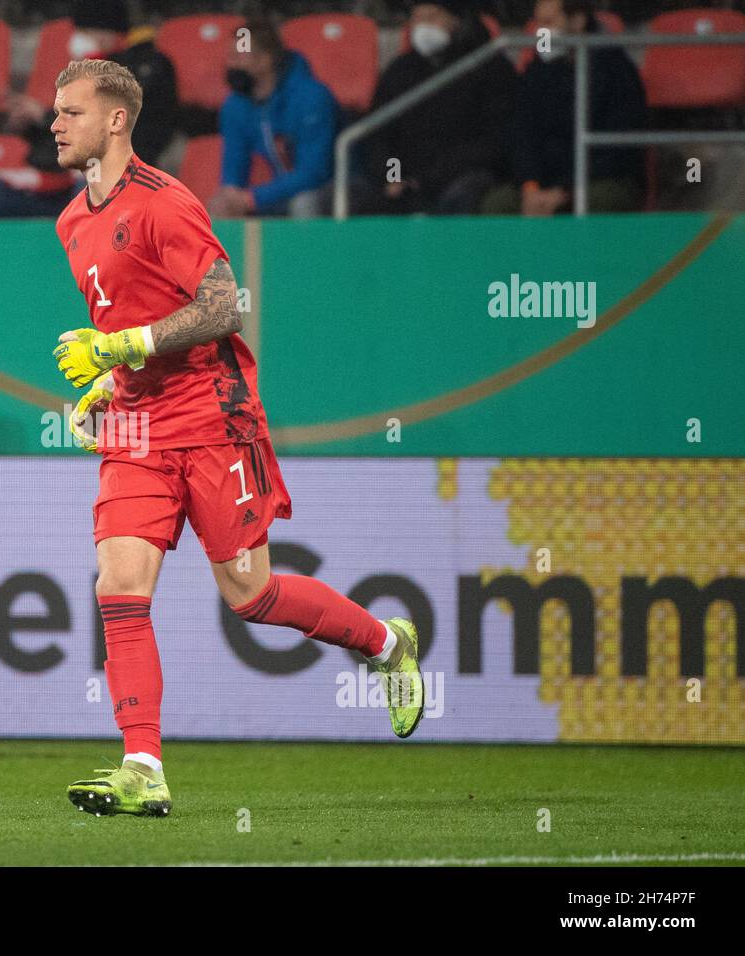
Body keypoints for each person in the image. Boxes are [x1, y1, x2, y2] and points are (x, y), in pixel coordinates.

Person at [49, 59, 424, 817]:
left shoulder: (165, 203)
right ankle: (143, 766)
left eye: (71, 112)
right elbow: (126, 322)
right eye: (54, 112)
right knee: (118, 585)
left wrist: (122, 349)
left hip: (214, 419)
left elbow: (224, 307)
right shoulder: (69, 222)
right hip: (139, 431)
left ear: (117, 120)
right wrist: (105, 386)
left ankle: (387, 644)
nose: (54, 124)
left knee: (249, 595)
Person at [0, 0, 177, 219]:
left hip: (112, 182)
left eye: (87, 31)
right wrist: (34, 125)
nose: (78, 39)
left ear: (110, 32)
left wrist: (44, 116)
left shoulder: (151, 68)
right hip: (58, 182)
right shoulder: (82, 72)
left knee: (89, 189)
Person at [483, 0, 645, 215]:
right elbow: (521, 133)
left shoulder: (615, 69)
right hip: (543, 183)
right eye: (538, 23)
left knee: (599, 201)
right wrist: (530, 186)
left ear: (577, 21)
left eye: (548, 22)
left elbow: (621, 147)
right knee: (497, 204)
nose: (541, 31)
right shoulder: (535, 72)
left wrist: (565, 191)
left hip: (600, 179)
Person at [362, 0, 515, 215]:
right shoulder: (400, 70)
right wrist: (393, 176)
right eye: (417, 18)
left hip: (463, 175)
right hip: (404, 179)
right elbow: (380, 135)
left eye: (432, 17)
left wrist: (424, 181)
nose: (423, 25)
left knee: (460, 198)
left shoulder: (490, 67)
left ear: (457, 21)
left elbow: (493, 141)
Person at [212, 16, 337, 219]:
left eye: (238, 57)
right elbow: (233, 169)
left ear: (265, 60)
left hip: (335, 186)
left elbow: (314, 172)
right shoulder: (235, 105)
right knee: (219, 206)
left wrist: (253, 198)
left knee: (304, 202)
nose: (230, 65)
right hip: (286, 191)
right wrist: (231, 197)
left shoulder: (312, 97)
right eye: (229, 57)